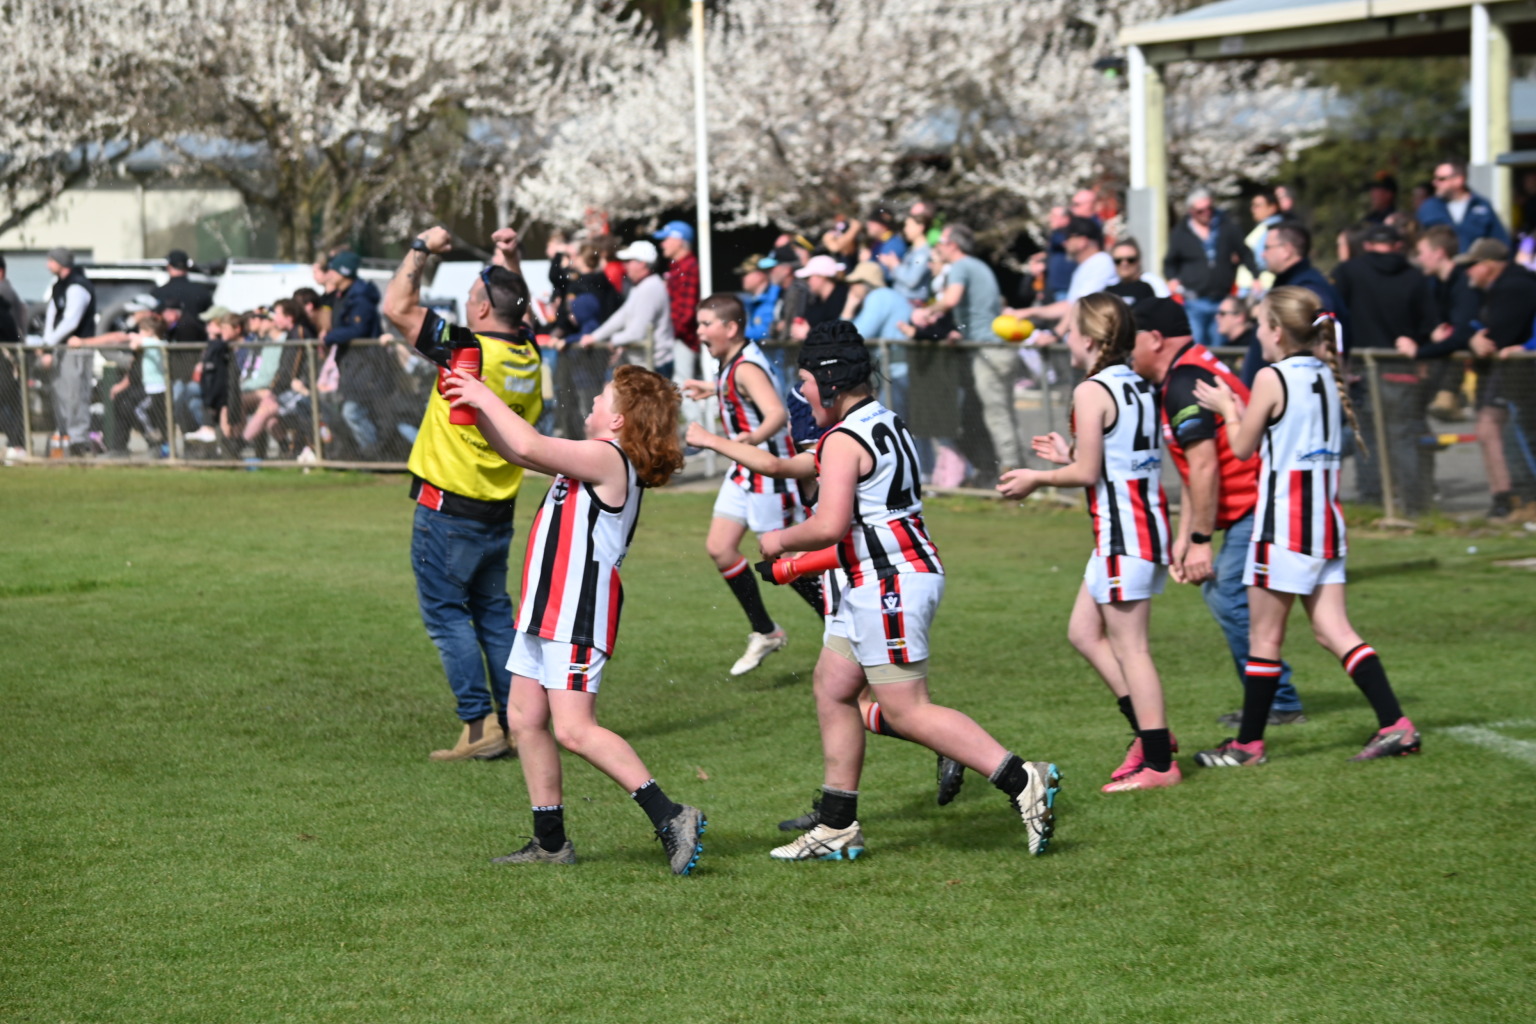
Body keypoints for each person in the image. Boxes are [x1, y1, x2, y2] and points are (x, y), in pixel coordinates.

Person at [744, 320, 1060, 861]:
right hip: (882, 576)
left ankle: (1020, 779)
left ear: (830, 381)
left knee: (907, 709)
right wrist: (800, 567)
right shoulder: (883, 420)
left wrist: (780, 540)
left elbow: (830, 524)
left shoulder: (844, 438)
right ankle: (838, 824)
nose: (801, 394)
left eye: (805, 381)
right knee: (833, 688)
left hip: (890, 584)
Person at [441, 363, 703, 874]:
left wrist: (482, 393)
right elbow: (517, 449)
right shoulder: (592, 458)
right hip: (546, 607)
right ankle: (551, 842)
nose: (591, 405)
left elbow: (533, 445)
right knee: (524, 718)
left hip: (577, 610)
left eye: (602, 399)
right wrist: (475, 409)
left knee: (575, 730)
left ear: (620, 421)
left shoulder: (609, 458)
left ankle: (671, 815)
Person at [1190, 287, 1419, 767]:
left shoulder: (1273, 376)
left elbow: (1242, 449)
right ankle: (1397, 725)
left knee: (1265, 639)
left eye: (1259, 324)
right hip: (1326, 522)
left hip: (1285, 524)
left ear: (1276, 331)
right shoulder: (1324, 370)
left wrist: (1228, 409)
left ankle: (1247, 746)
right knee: (1334, 630)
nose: (1257, 332)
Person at [997, 294, 1178, 792]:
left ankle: (1160, 762)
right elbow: (1111, 458)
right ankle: (1151, 729)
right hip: (1135, 528)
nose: (1066, 337)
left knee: (1132, 648)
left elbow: (1090, 473)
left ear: (1092, 340)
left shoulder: (1092, 390)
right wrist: (1069, 454)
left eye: (1072, 329)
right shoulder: (1137, 382)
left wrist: (1037, 477)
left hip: (1126, 533)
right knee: (1083, 632)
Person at [380, 224, 544, 761]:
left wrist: (422, 247)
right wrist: (510, 256)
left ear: (478, 310)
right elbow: (512, 302)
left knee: (448, 616)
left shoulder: (468, 349)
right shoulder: (527, 351)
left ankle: (479, 728)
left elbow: (398, 305)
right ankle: (518, 723)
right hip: (497, 508)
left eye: (474, 295)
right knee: (494, 615)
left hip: (447, 508)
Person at [1129, 297, 1307, 728]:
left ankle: (1278, 700)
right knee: (1232, 596)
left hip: (1259, 501)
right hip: (1258, 499)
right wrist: (1184, 535)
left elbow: (1206, 465)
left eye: (1128, 340)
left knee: (1227, 593)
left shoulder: (1185, 380)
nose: (1124, 351)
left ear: (1154, 339)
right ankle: (1274, 697)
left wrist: (1200, 542)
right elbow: (1196, 468)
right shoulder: (1188, 370)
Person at [681, 293, 818, 676]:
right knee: (720, 548)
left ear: (731, 328)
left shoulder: (745, 367)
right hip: (743, 471)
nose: (700, 331)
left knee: (782, 561)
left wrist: (753, 439)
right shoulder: (731, 362)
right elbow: (741, 395)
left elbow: (775, 411)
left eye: (707, 324)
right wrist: (713, 389)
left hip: (768, 474)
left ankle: (843, 624)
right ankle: (765, 630)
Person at [1332, 222, 1439, 513]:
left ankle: (1373, 499)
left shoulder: (1349, 272)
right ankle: (1414, 503)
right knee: (1402, 436)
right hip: (1401, 367)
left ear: (1367, 245)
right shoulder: (1414, 277)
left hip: (1362, 367)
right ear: (1397, 245)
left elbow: (1333, 317)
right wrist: (1415, 342)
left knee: (1366, 434)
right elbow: (1429, 324)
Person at [913, 223, 1021, 482]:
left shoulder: (961, 267)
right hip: (994, 347)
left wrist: (926, 312)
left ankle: (1013, 474)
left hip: (989, 350)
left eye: (942, 243)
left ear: (953, 245)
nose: (938, 248)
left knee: (997, 415)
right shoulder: (979, 265)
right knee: (1002, 413)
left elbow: (951, 300)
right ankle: (1013, 469)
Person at [1459, 239, 1536, 520]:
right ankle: (1509, 498)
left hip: (1521, 374)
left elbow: (1501, 334)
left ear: (1489, 265)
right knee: (1492, 429)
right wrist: (1474, 337)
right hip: (1509, 371)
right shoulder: (1502, 288)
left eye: (1472, 265)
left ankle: (1519, 498)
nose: (1467, 272)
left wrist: (1526, 348)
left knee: (1508, 432)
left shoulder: (1515, 286)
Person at [1399, 225, 1479, 423]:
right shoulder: (1435, 285)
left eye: (1422, 253)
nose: (1419, 259)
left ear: (1439, 253)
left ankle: (1449, 395)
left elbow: (1461, 334)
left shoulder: (1464, 285)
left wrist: (1419, 353)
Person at [1162, 190, 1256, 348]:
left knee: (1219, 345)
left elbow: (1244, 252)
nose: (1206, 213)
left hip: (1221, 299)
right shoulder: (1181, 232)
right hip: (1194, 300)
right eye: (1200, 211)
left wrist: (1256, 276)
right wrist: (1173, 279)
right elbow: (1170, 262)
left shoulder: (1226, 226)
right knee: (1196, 343)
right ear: (1191, 211)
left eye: (1209, 208)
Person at [582, 239, 675, 378]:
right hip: (645, 364)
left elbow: (638, 332)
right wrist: (596, 337)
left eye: (629, 261)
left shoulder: (650, 288)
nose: (625, 266)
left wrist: (613, 340)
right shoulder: (641, 286)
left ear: (642, 263)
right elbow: (622, 315)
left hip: (654, 365)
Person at [1010, 216, 1117, 328]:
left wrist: (1056, 334)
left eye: (1068, 237)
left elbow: (1081, 304)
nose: (1064, 243)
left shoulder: (1101, 262)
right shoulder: (1086, 266)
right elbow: (1070, 304)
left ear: (1082, 241)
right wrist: (1029, 312)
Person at [40, 248, 97, 455]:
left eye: (51, 260)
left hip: (76, 350)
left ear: (61, 262)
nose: (48, 264)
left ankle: (79, 440)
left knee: (76, 395)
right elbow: (52, 316)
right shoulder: (59, 286)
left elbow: (71, 321)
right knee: (61, 394)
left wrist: (50, 342)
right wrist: (48, 343)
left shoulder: (77, 286)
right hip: (60, 349)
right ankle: (65, 435)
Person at [654, 221, 701, 420]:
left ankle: (700, 439)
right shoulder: (677, 267)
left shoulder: (688, 267)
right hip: (679, 337)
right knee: (683, 384)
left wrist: (672, 333)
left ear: (679, 241)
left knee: (686, 384)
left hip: (684, 338)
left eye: (666, 239)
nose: (662, 244)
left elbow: (687, 311)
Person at [1416, 159, 1510, 252]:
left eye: (1441, 179)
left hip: (1476, 265)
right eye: (1435, 178)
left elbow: (1501, 243)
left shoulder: (1482, 206)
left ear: (1459, 180)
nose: (1435, 183)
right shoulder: (1429, 208)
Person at [1104, 237, 1169, 304]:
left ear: (1139, 261)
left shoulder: (1152, 284)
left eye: (1130, 260)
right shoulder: (1109, 290)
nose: (1124, 264)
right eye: (1118, 261)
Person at [150, 250, 211, 320]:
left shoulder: (158, 293)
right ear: (187, 268)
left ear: (168, 267)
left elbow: (152, 321)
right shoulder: (201, 291)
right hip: (197, 330)